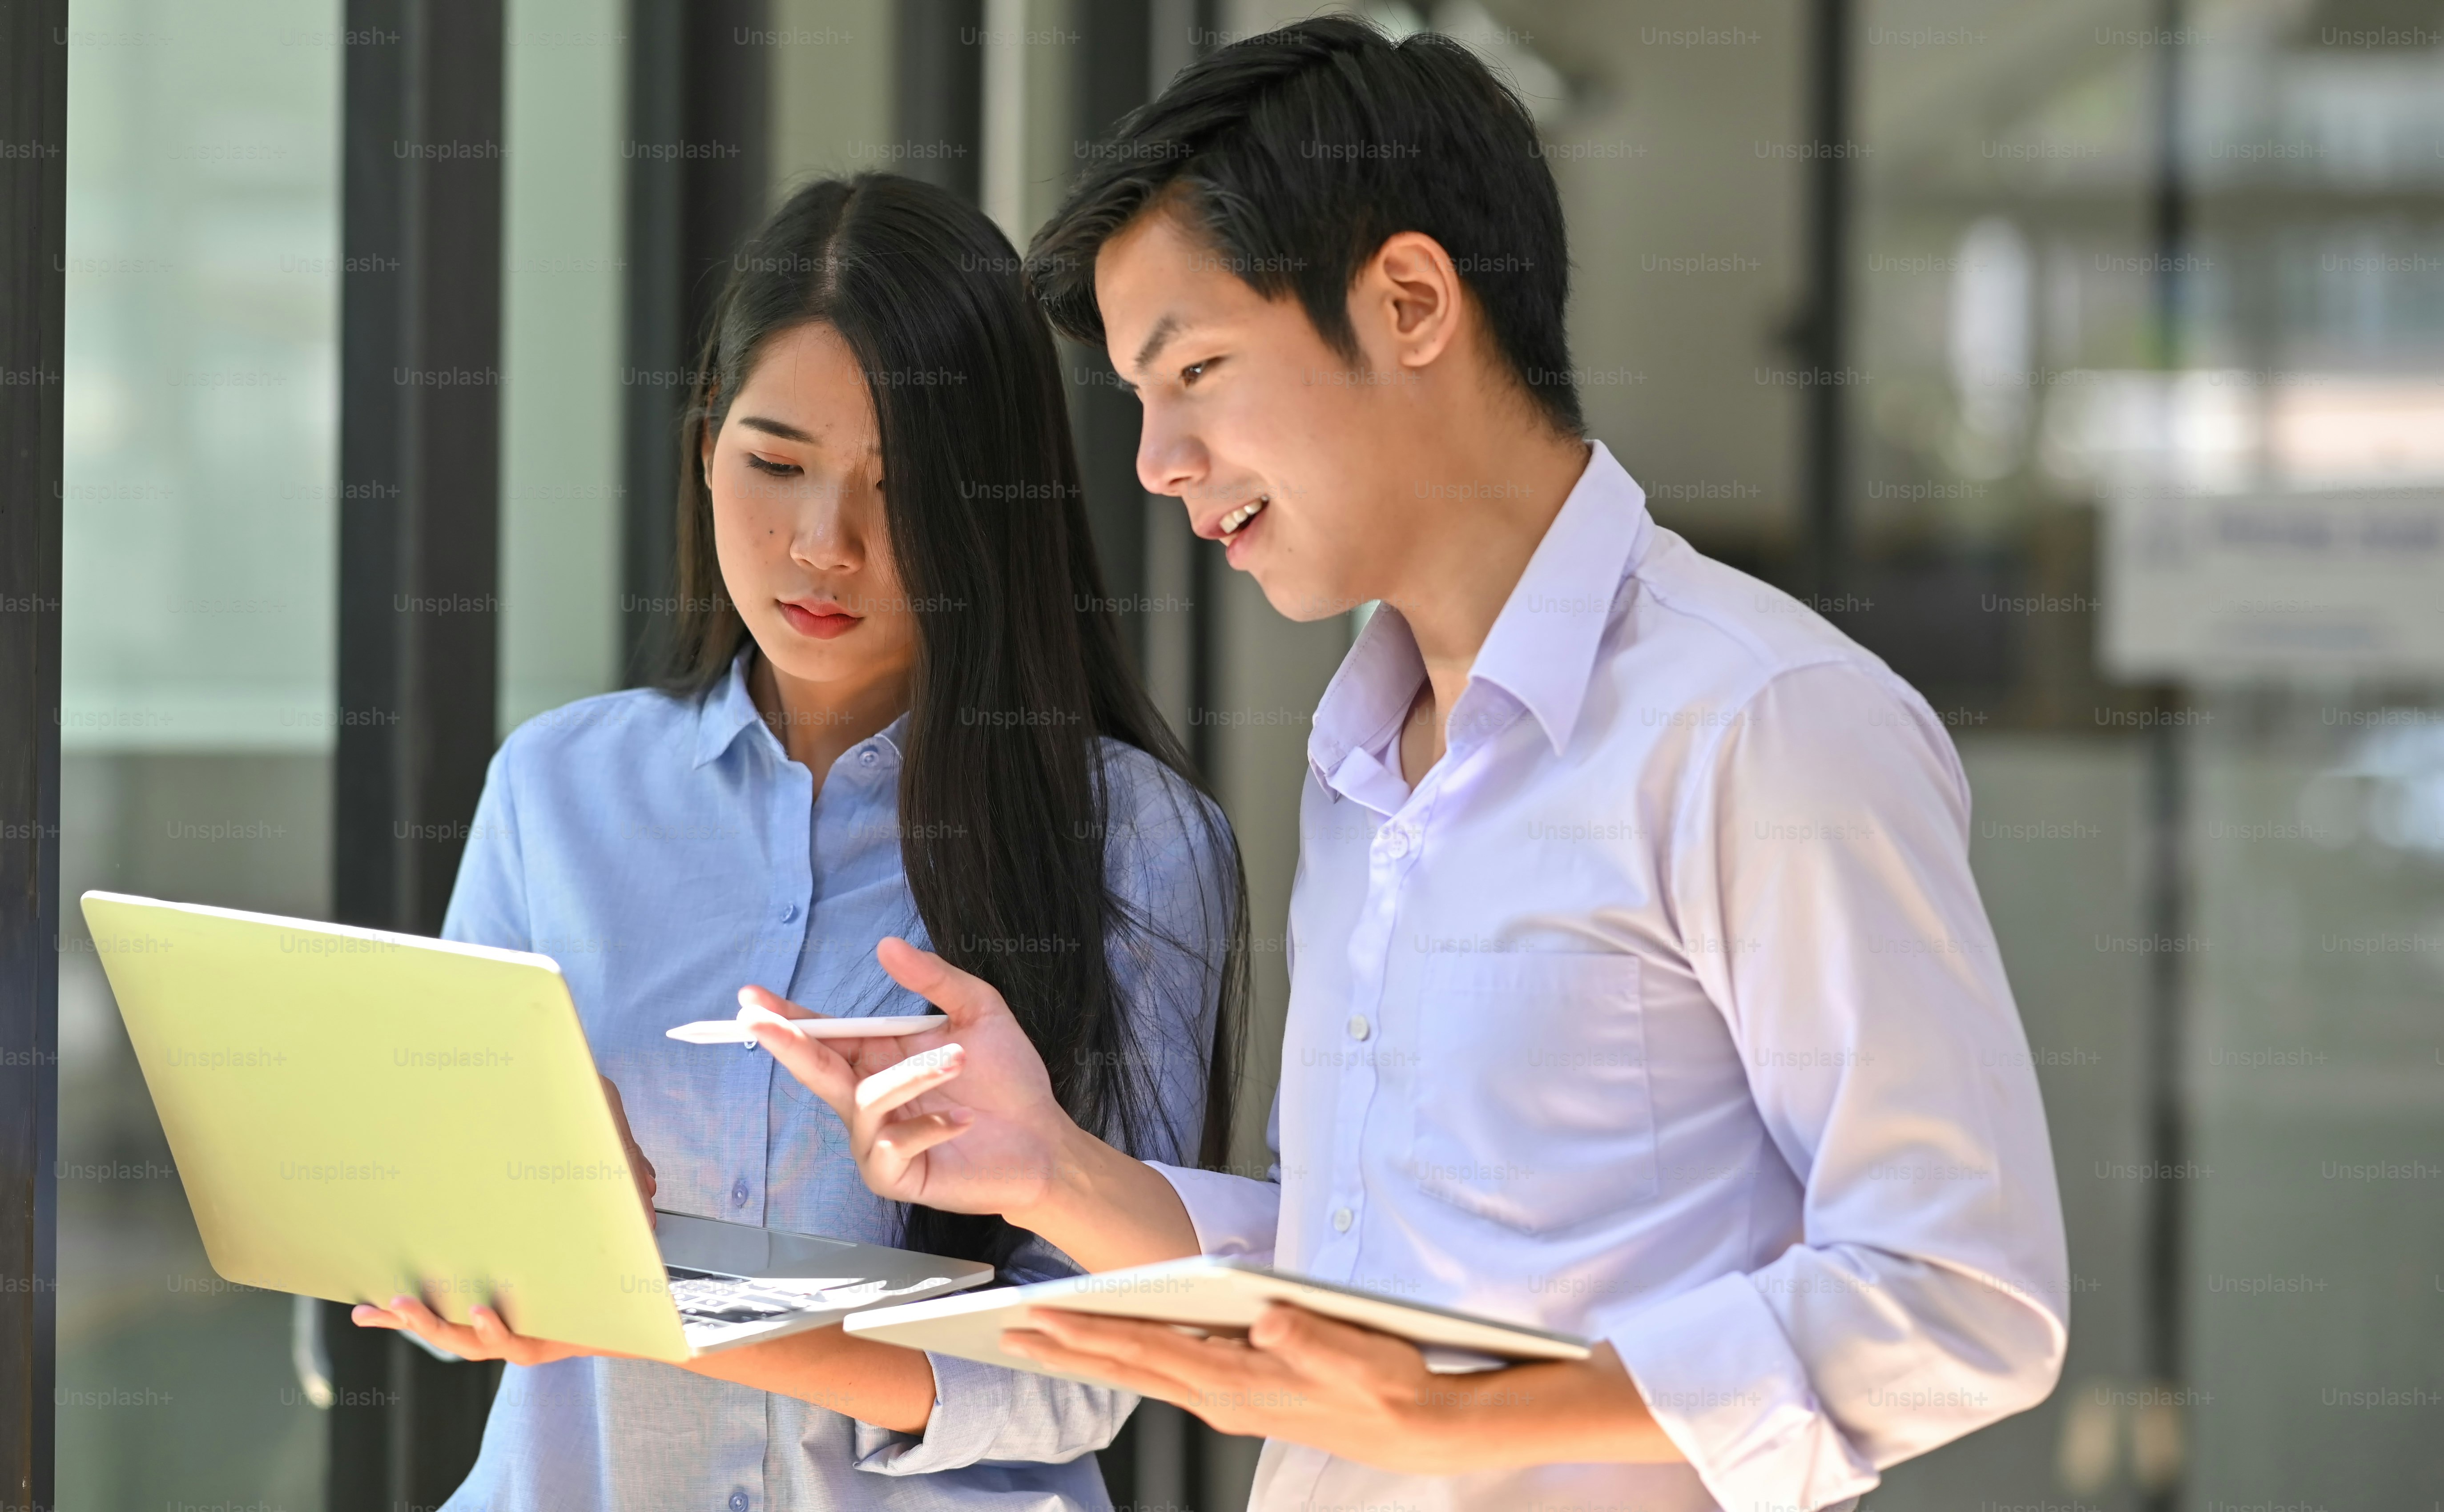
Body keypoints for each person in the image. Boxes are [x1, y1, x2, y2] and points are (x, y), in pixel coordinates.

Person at [750, 19, 2070, 1512]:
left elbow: (1960, 1298)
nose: (1158, 461)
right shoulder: (1364, 767)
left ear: (1411, 303)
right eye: (1141, 401)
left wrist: (1467, 1420)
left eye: (1197, 372)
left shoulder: (1763, 722)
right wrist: (1049, 1168)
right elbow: (1363, 1288)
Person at [350, 173, 1247, 1512]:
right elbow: (456, 1241)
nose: (827, 545)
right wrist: (467, 1262)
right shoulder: (557, 788)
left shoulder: (1131, 840)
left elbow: (1099, 1359)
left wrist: (663, 1292)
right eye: (776, 465)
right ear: (707, 442)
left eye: (903, 488)